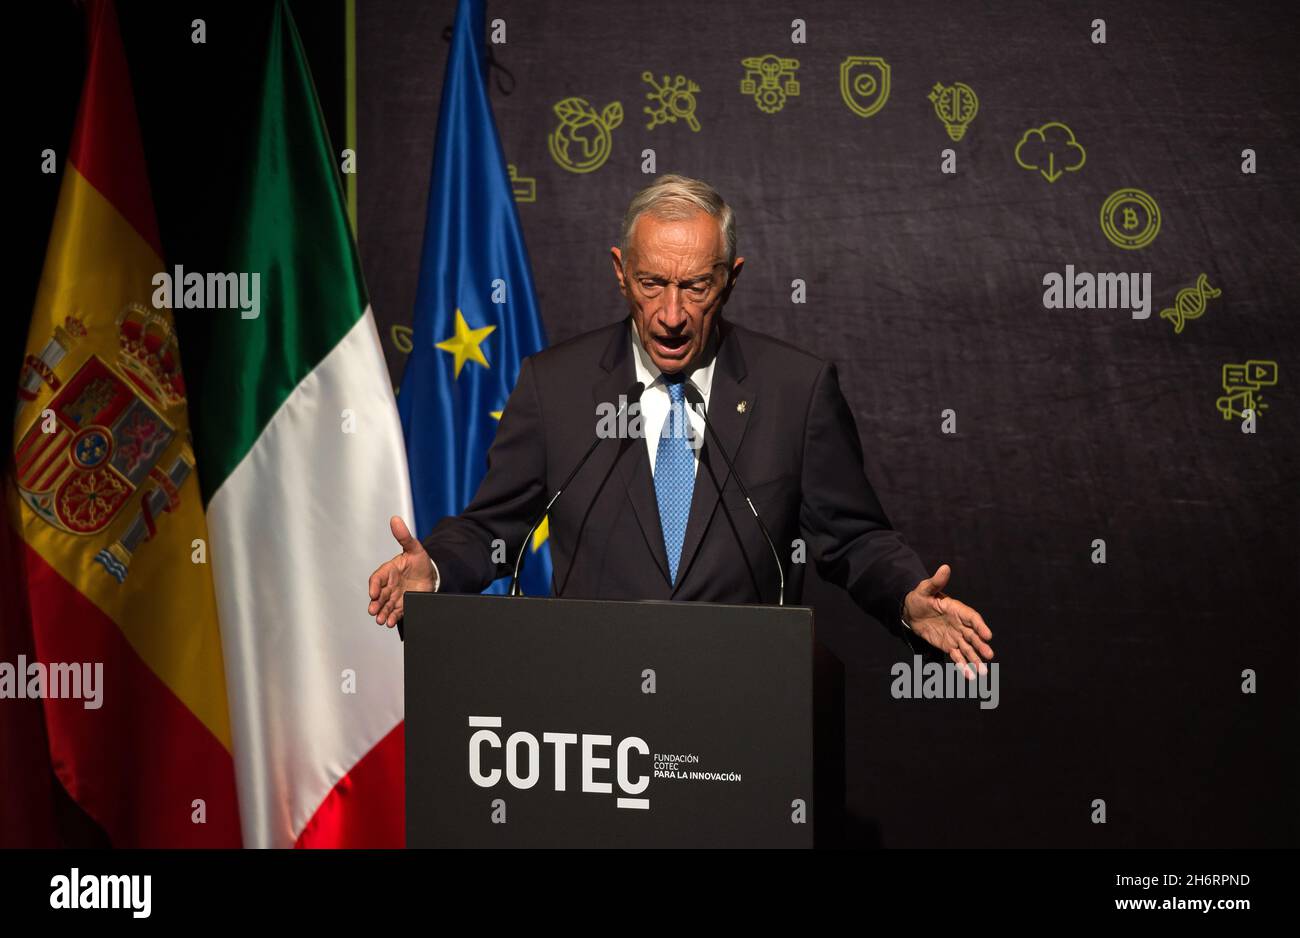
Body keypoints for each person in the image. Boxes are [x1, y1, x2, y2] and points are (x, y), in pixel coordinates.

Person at [368, 174, 993, 676]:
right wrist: (437, 569)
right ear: (620, 273)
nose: (671, 314)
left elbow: (853, 538)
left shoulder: (794, 390)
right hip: (592, 702)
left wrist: (906, 596)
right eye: (651, 284)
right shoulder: (554, 387)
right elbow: (494, 528)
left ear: (731, 279)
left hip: (743, 699)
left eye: (695, 287)